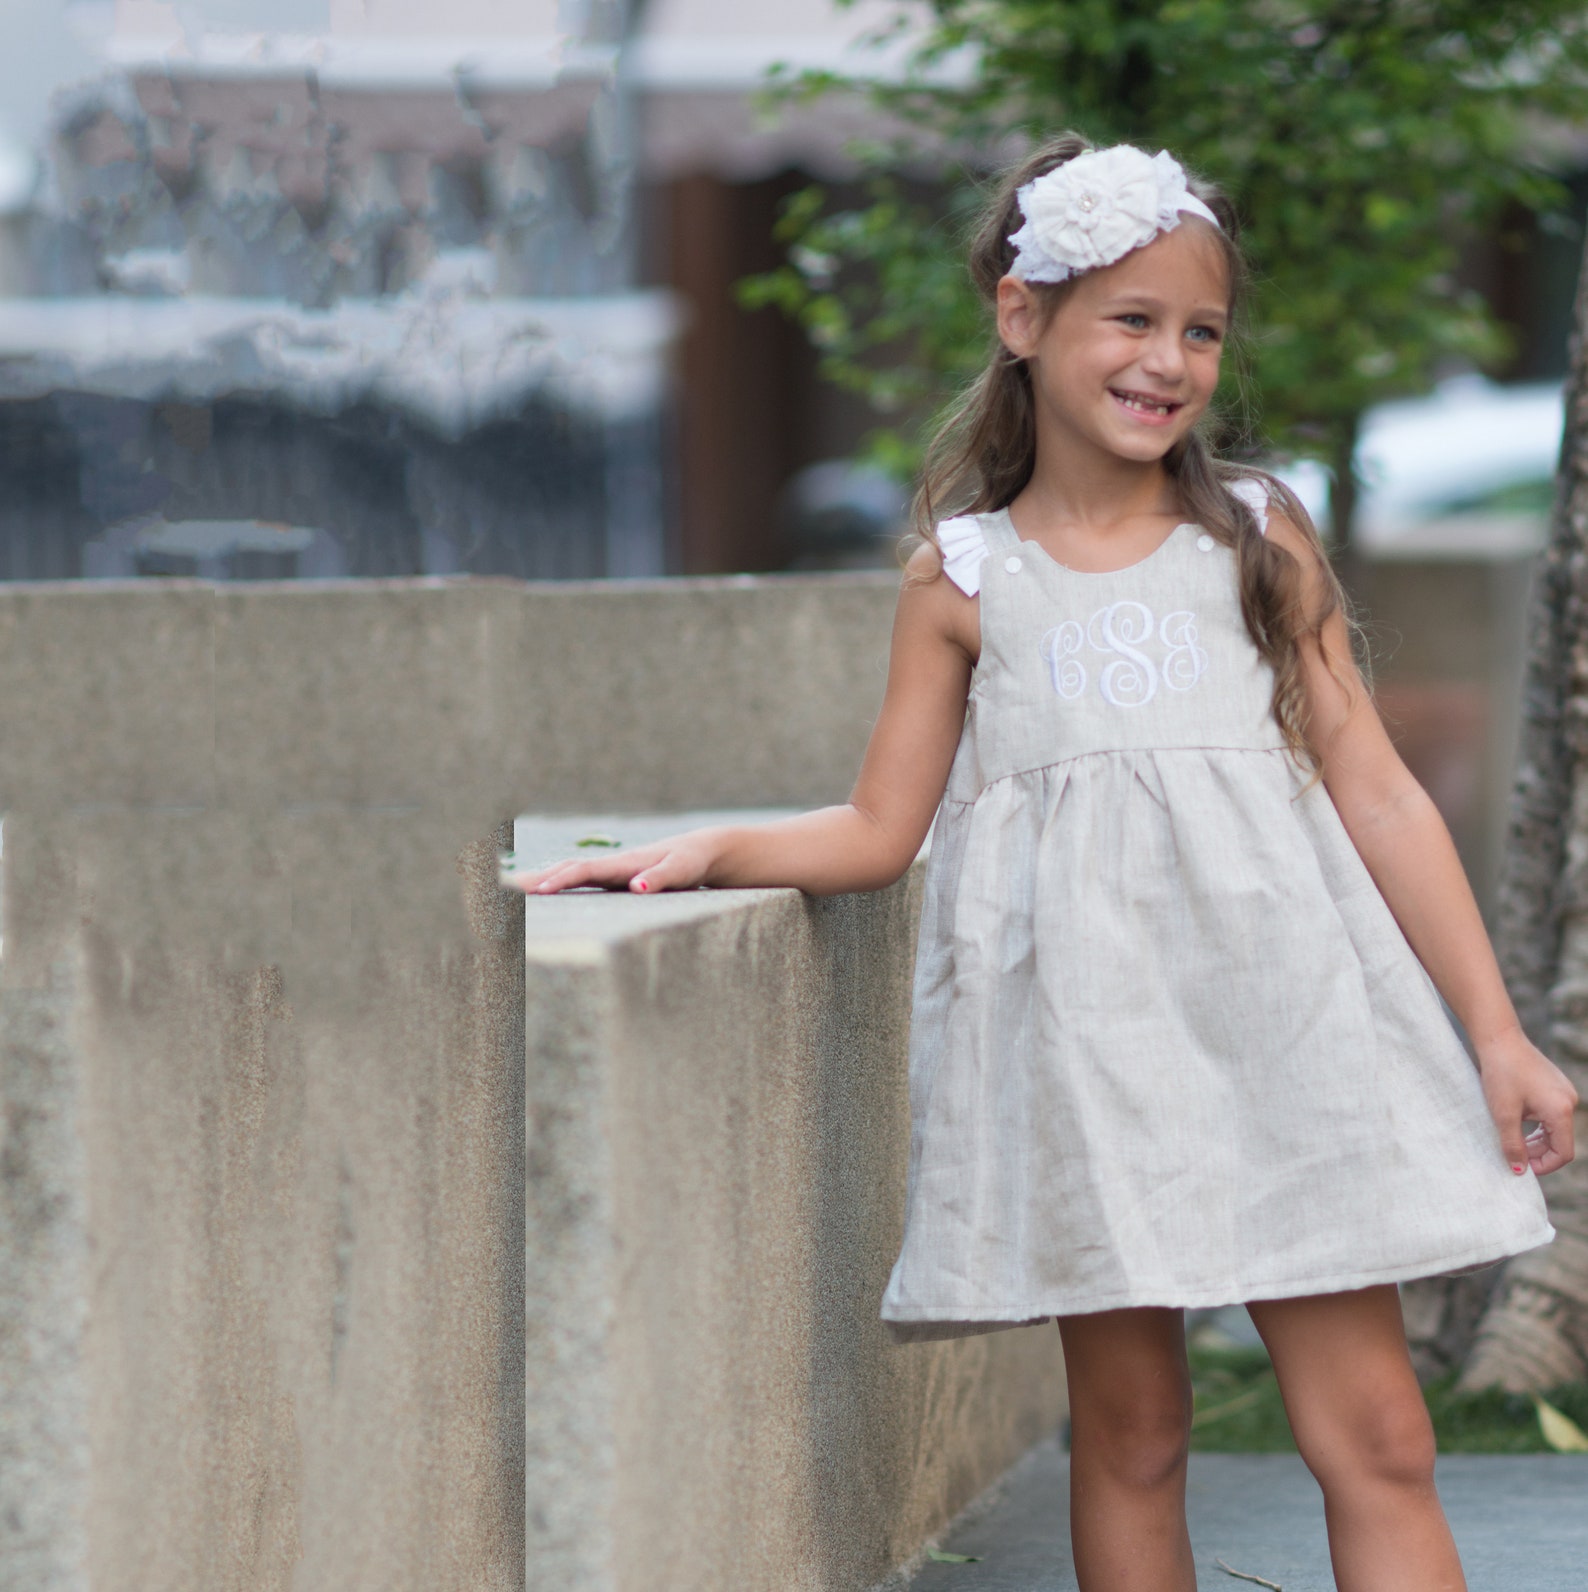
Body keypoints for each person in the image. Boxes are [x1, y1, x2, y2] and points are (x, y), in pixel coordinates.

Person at [512, 136, 1579, 1591]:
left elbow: (1379, 793)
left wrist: (1498, 1036)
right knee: (1132, 1439)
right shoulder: (965, 579)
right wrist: (706, 847)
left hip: (1298, 1035)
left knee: (1380, 1433)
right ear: (1025, 320)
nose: (1171, 361)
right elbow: (879, 828)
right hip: (1096, 1067)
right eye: (1131, 320)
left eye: (1198, 330)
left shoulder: (1261, 539)